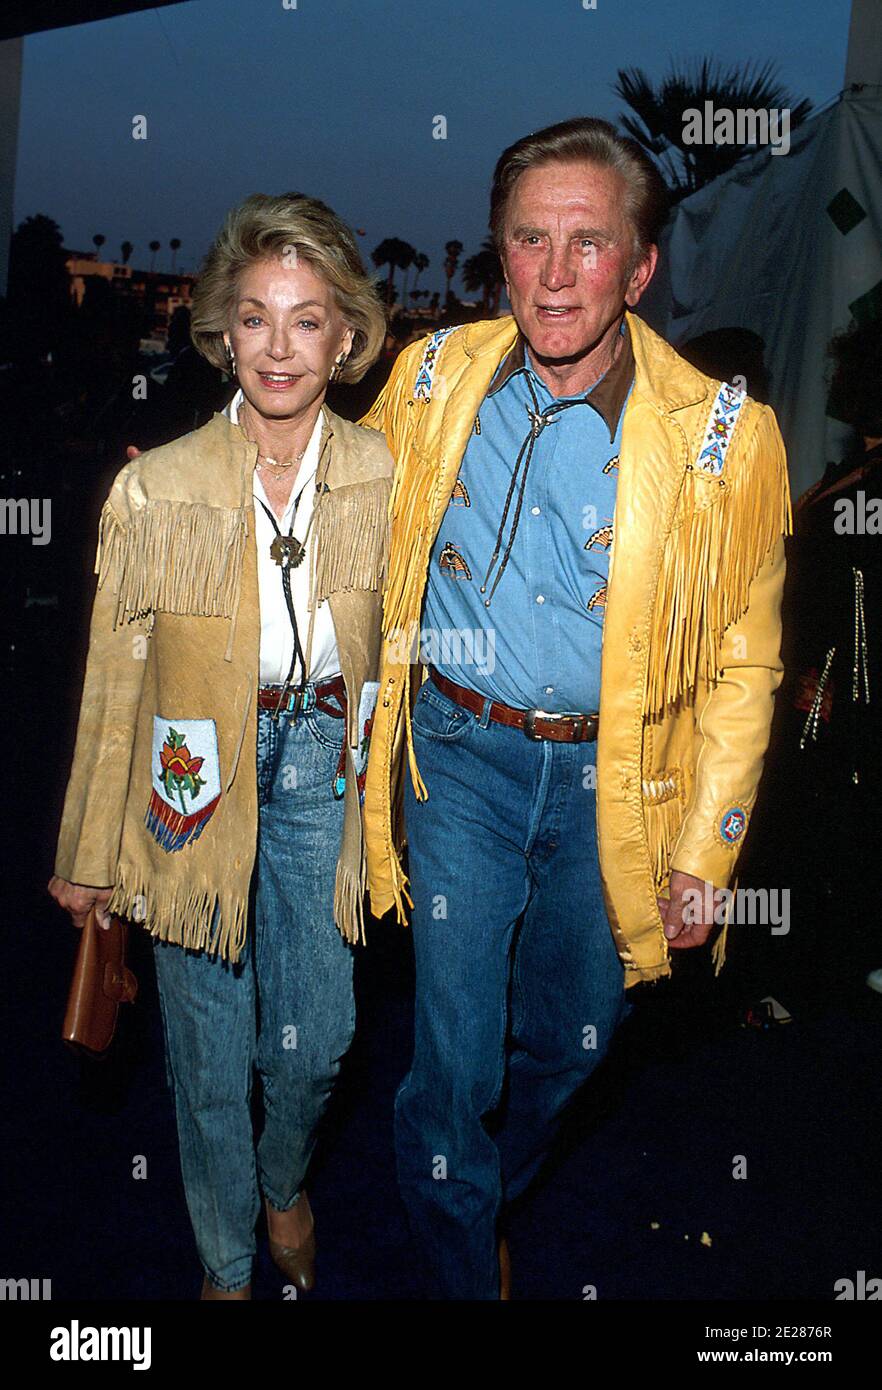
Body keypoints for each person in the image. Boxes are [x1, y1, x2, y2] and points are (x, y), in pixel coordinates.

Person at [361, 116, 791, 1298]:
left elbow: (748, 665)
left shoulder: (723, 440)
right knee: (452, 1070)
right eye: (528, 240)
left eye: (588, 244)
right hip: (457, 758)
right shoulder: (433, 379)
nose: (555, 273)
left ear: (640, 268)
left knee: (569, 1045)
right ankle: (464, 1268)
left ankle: (477, 1192)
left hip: (620, 788)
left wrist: (709, 848)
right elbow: (351, 530)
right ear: (498, 253)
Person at [49, 192, 391, 1299]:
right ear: (221, 331)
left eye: (306, 320)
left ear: (346, 337)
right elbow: (112, 687)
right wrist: (87, 852)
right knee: (202, 1057)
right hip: (188, 782)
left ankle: (283, 1178)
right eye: (255, 318)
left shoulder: (390, 481)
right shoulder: (156, 488)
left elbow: (418, 652)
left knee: (317, 1039)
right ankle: (227, 1261)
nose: (279, 347)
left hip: (323, 774)